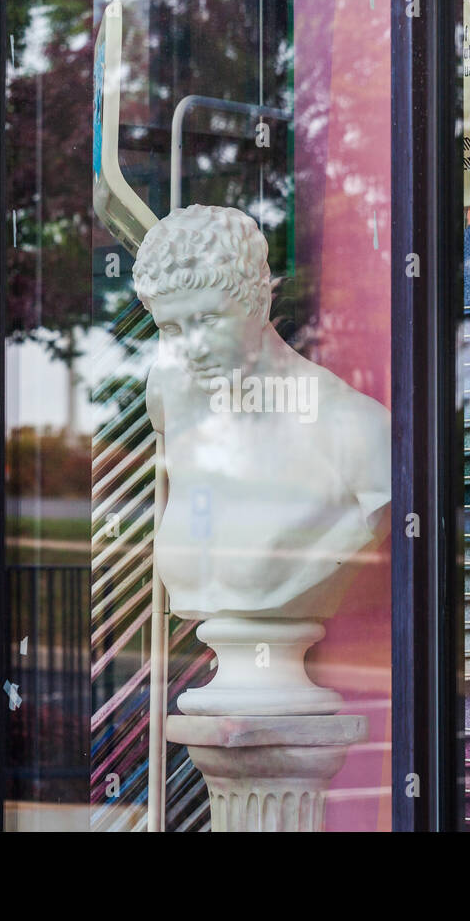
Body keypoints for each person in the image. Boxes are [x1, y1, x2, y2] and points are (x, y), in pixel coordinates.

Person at [134, 204, 391, 624]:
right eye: (172, 329)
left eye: (209, 319)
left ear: (257, 302)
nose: (192, 348)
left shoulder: (356, 429)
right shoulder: (171, 393)